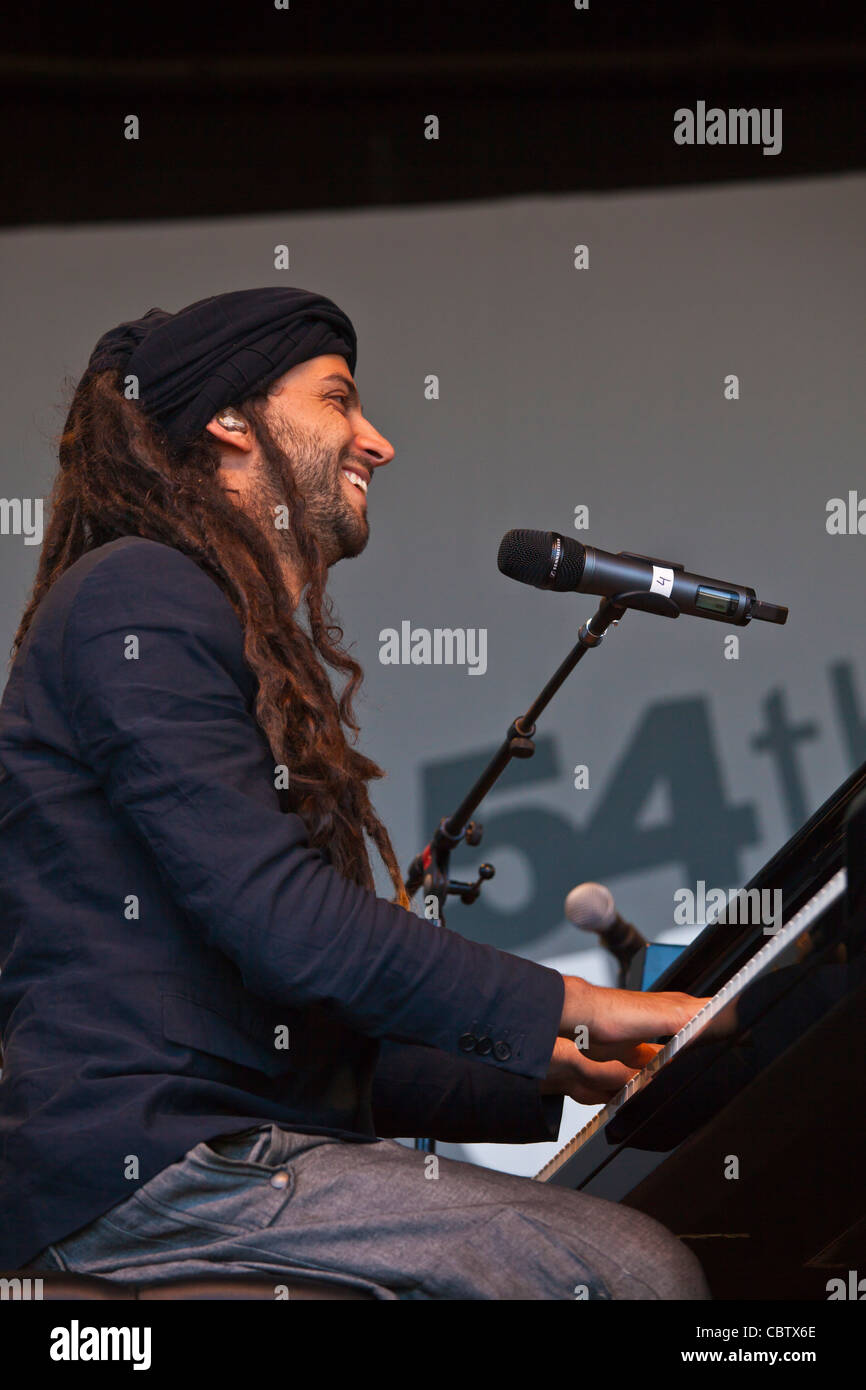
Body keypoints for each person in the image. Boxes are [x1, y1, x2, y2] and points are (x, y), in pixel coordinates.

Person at [0, 287, 710, 1299]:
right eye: (338, 399)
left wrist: (548, 1061)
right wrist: (576, 1001)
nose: (374, 441)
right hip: (153, 1173)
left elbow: (289, 1033)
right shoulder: (136, 593)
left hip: (218, 1157)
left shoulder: (195, 614)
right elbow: (286, 928)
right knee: (629, 1273)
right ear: (229, 421)